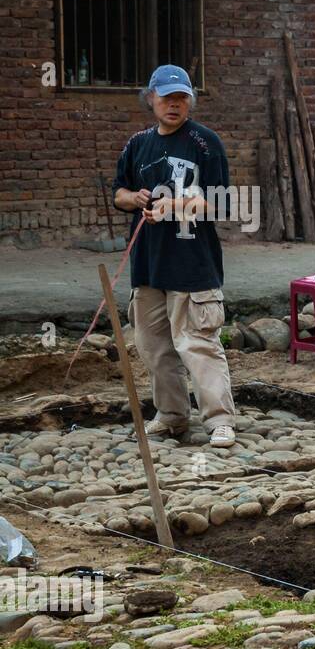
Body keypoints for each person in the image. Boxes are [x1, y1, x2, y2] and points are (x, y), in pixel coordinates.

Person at [112, 65, 236, 449]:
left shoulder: (204, 143)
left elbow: (221, 203)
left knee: (197, 343)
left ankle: (219, 421)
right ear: (151, 98)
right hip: (148, 265)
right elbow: (119, 193)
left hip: (192, 263)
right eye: (167, 98)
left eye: (181, 98)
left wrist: (176, 206)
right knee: (153, 347)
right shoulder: (138, 144)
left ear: (190, 102)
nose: (174, 105)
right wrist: (136, 199)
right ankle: (171, 415)